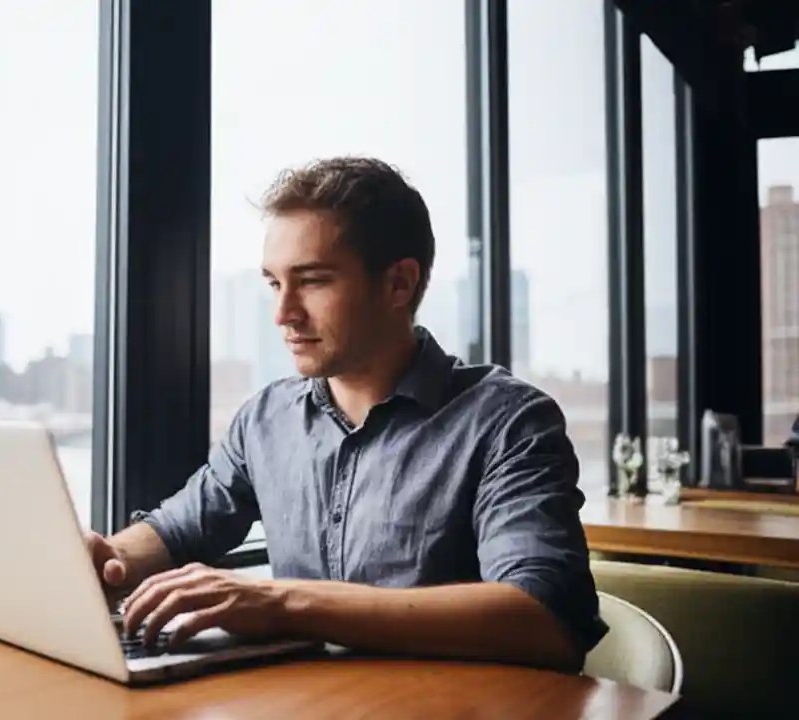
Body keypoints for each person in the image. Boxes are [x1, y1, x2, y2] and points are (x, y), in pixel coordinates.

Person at [85, 157, 607, 672]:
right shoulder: (267, 419)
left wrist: (285, 604)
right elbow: (177, 531)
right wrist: (107, 560)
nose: (283, 313)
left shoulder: (508, 421)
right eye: (273, 283)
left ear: (399, 284)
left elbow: (546, 619)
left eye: (312, 281)